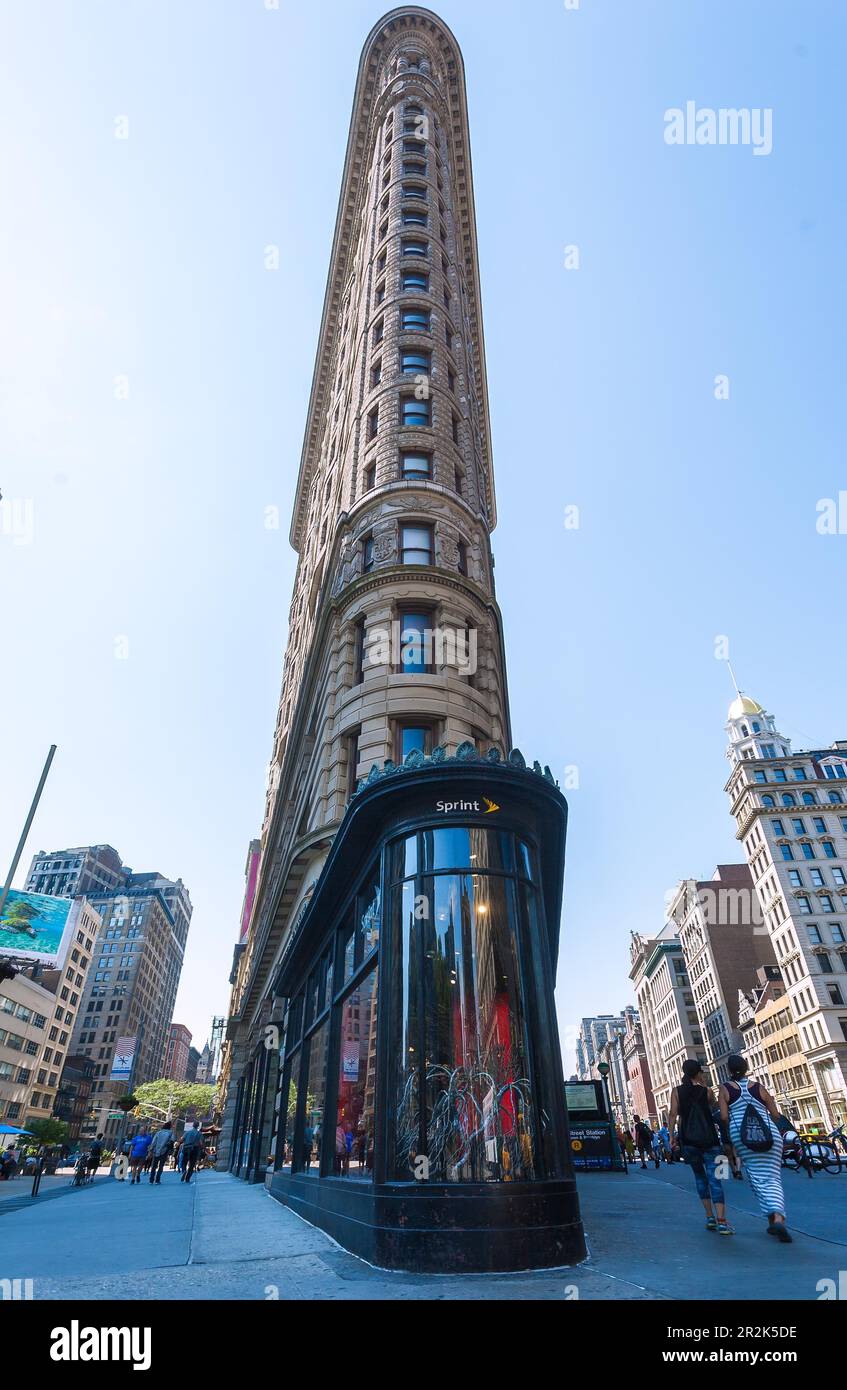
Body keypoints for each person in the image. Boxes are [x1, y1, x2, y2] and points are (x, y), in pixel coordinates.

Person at [720, 1054, 791, 1243]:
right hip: (769, 1134)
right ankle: (776, 1219)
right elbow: (775, 1114)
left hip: (742, 1135)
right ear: (746, 1068)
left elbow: (724, 1117)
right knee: (772, 1177)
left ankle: (775, 1219)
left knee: (756, 1176)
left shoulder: (726, 1089)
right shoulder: (759, 1087)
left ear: (728, 1070)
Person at [668, 1058, 733, 1235]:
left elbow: (673, 1114)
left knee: (700, 1177)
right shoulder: (707, 1091)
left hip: (688, 1141)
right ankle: (722, 1221)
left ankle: (709, 1217)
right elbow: (712, 1109)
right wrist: (703, 1083)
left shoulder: (676, 1091)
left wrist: (672, 1136)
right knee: (716, 1179)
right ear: (698, 1073)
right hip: (710, 1140)